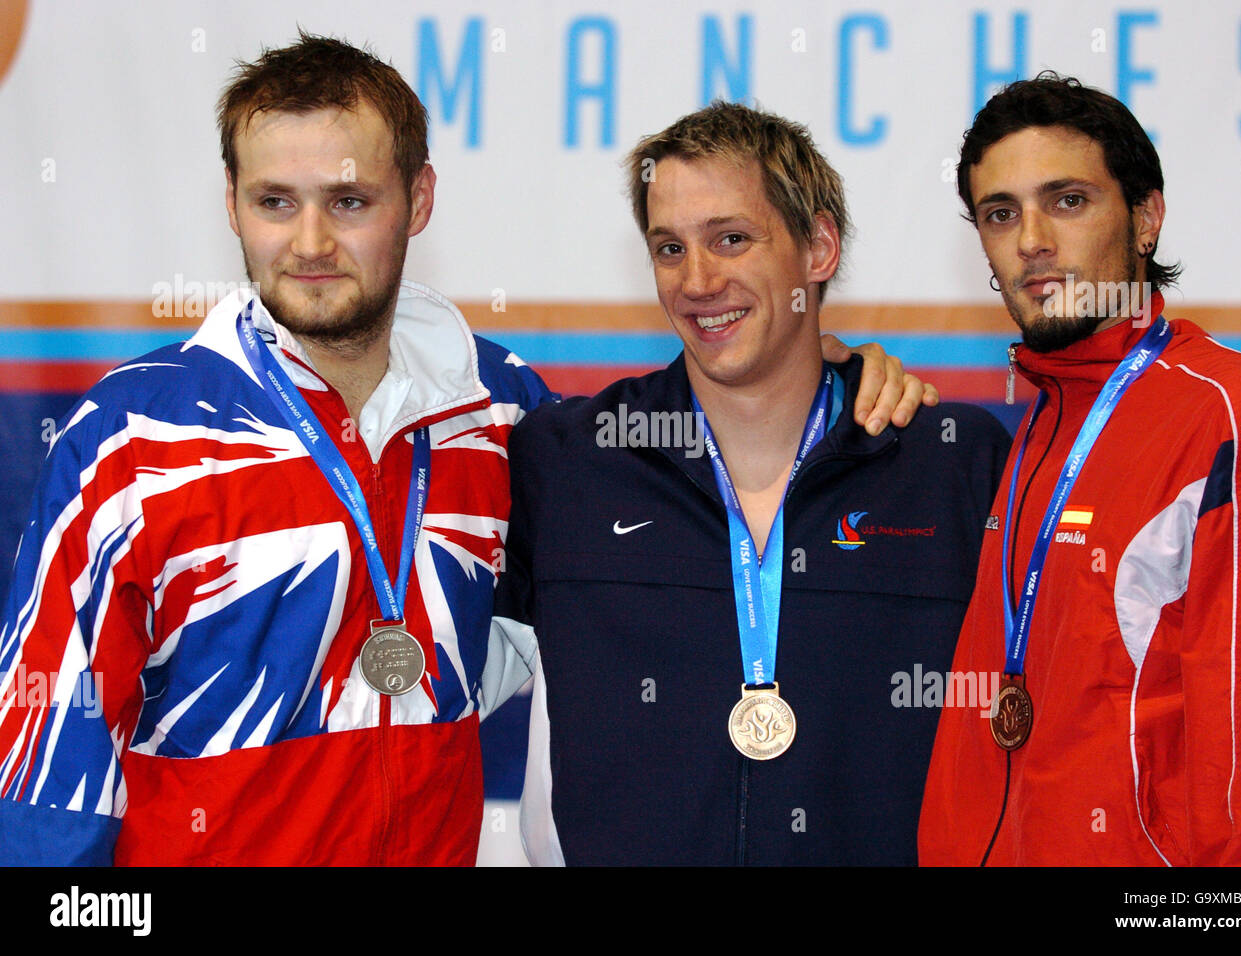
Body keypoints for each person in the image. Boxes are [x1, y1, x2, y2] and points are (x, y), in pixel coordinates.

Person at [0, 35, 924, 866]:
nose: (311, 243)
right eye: (275, 201)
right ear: (233, 208)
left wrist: (834, 368)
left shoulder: (507, 416)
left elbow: (724, 442)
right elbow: (44, 786)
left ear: (419, 200)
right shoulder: (132, 440)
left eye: (351, 200)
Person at [494, 102, 1011, 865]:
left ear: (819, 247)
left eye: (731, 240)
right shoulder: (566, 460)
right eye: (670, 249)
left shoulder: (951, 464)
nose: (698, 281)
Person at [918, 72, 1241, 865]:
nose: (1031, 240)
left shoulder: (1237, 409)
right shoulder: (1036, 427)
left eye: (1067, 200)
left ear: (1147, 218)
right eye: (1001, 214)